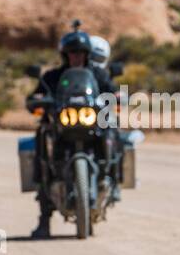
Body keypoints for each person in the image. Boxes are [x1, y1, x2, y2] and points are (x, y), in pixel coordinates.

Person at [28, 25, 116, 238]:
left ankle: (112, 176)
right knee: (42, 138)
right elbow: (36, 96)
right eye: (72, 53)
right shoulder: (52, 76)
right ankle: (44, 219)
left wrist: (118, 97)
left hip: (91, 125)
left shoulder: (98, 74)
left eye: (80, 53)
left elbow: (111, 91)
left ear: (87, 55)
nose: (76, 56)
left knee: (112, 131)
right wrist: (38, 101)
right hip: (62, 127)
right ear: (65, 55)